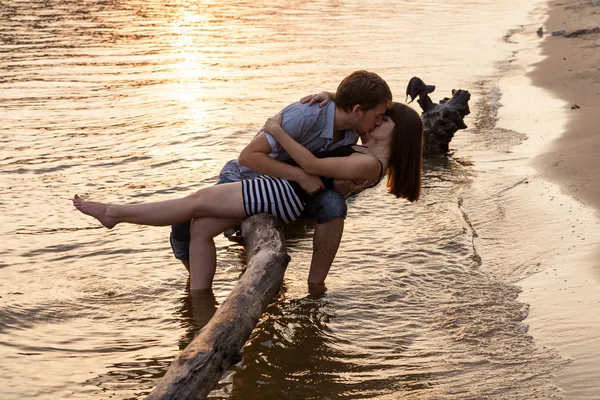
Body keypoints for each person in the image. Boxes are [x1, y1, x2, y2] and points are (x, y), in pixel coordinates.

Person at [72, 102, 424, 290]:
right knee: (200, 228)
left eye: (387, 117)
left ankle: (115, 213)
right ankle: (200, 303)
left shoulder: (372, 164)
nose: (379, 119)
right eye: (380, 113)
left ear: (400, 132)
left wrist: (274, 130)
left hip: (283, 195)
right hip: (283, 194)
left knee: (194, 202)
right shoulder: (364, 151)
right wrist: (332, 98)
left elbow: (312, 163)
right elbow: (349, 114)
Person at [170, 70, 393, 290]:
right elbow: (248, 157)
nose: (378, 123)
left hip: (294, 193)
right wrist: (300, 175)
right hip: (251, 178)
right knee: (183, 223)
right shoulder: (306, 115)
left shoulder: (353, 132)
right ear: (356, 110)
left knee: (334, 205)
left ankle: (316, 289)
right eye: (377, 117)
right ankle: (198, 290)